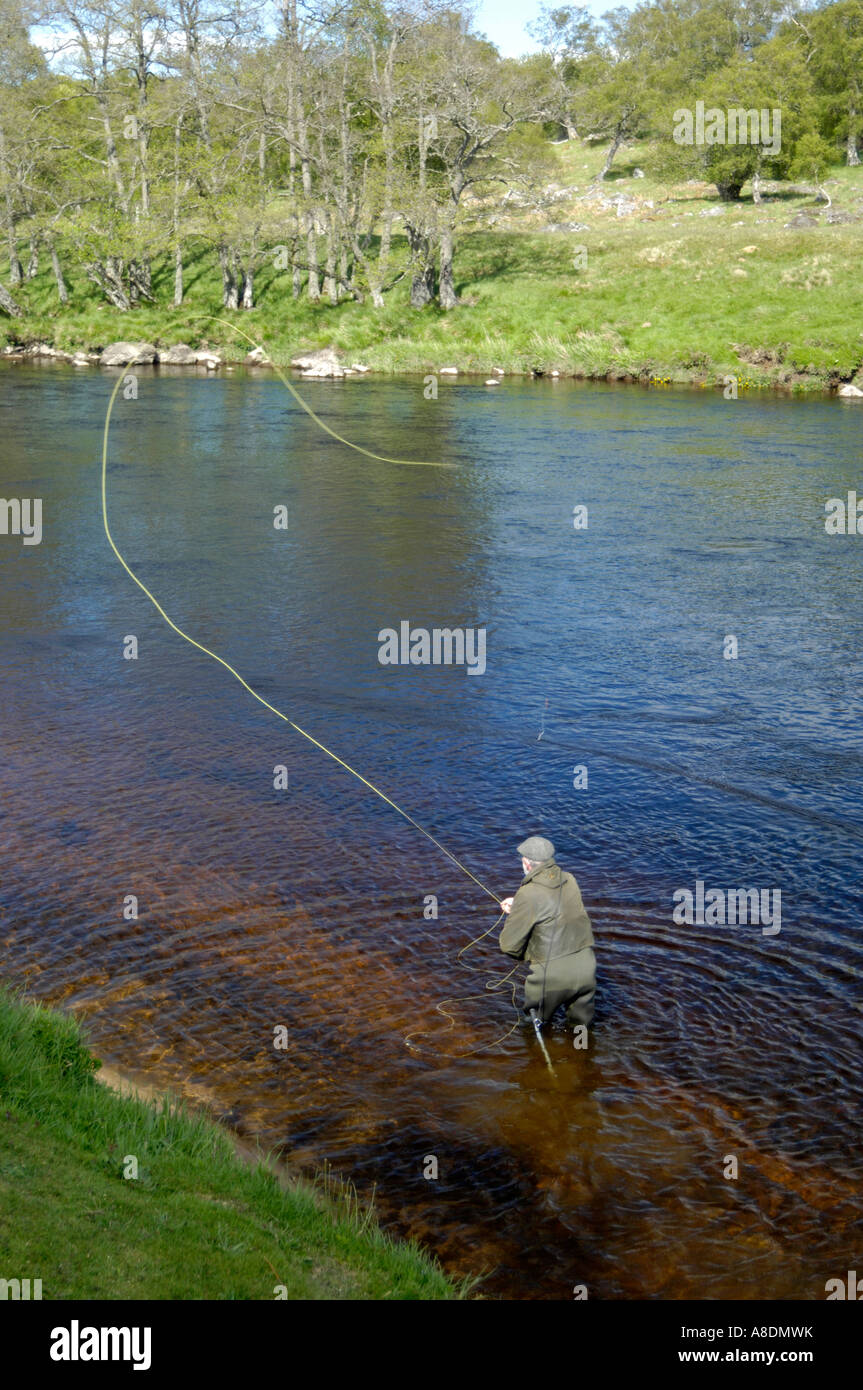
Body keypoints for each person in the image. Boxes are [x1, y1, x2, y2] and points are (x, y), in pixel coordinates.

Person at [499, 836, 596, 1028]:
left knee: (533, 1029)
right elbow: (557, 910)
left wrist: (528, 955)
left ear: (526, 863)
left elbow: (509, 946)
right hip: (587, 969)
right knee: (581, 1031)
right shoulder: (570, 879)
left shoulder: (527, 893)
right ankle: (581, 1056)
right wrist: (519, 906)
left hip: (550, 977)